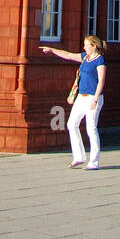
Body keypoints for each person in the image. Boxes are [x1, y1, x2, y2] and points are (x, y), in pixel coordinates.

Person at [41, 35, 106, 169]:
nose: (84, 47)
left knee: (91, 129)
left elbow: (101, 81)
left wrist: (96, 99)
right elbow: (69, 55)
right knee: (71, 124)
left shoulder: (100, 61)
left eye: (86, 45)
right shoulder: (85, 57)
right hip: (81, 97)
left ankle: (94, 162)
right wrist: (52, 50)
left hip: (93, 97)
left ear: (94, 46)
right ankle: (79, 157)